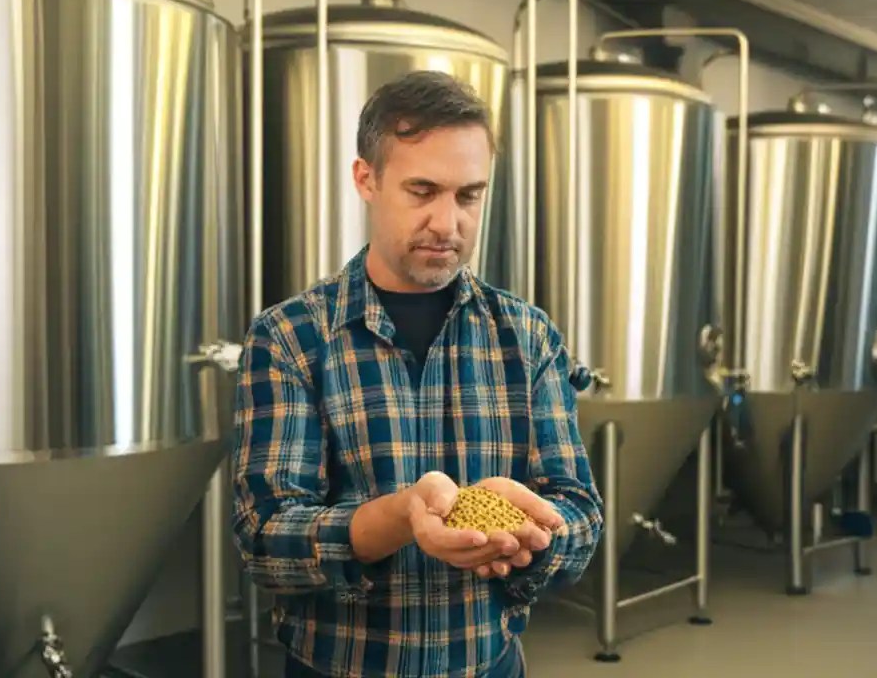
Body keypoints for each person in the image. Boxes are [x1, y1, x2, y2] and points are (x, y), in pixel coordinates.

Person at [231, 70, 604, 678]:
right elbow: (265, 539)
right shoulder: (292, 338)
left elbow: (581, 513)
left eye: (468, 195)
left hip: (489, 665)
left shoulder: (527, 337)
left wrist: (530, 537)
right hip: (342, 666)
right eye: (422, 190)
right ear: (367, 180)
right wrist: (402, 517)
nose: (447, 223)